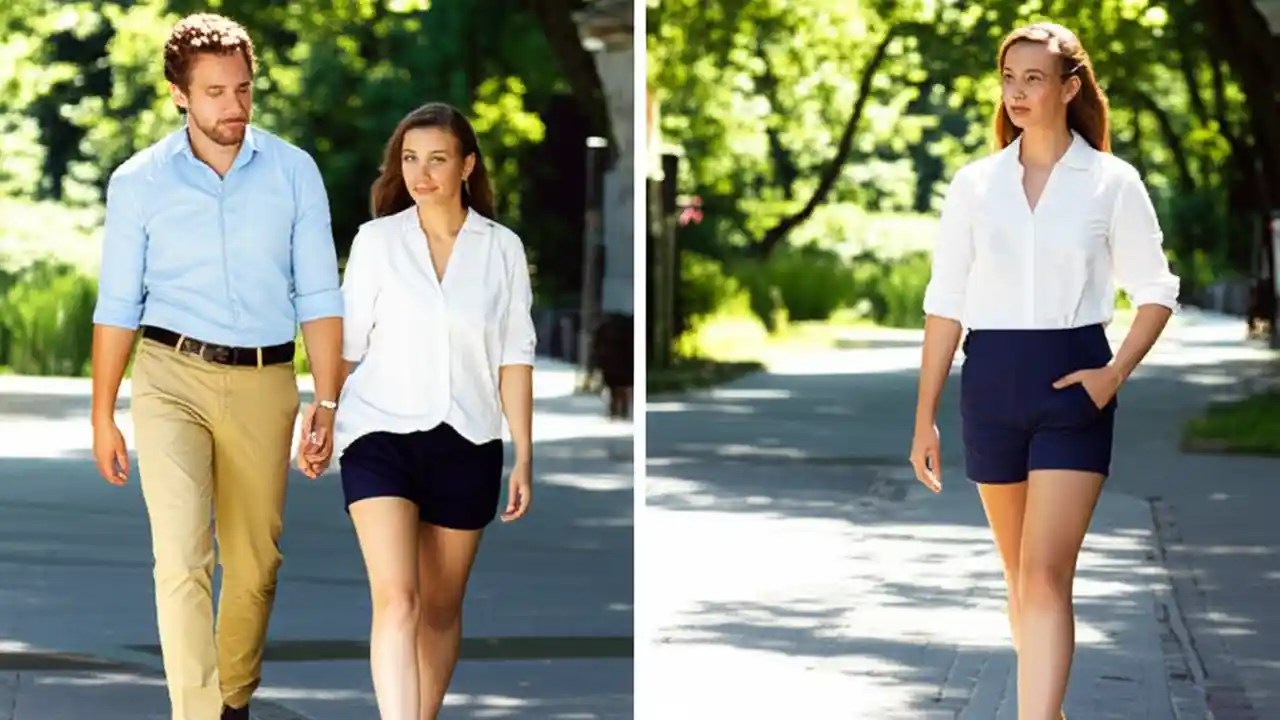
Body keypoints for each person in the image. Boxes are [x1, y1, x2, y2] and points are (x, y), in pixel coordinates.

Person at [909, 23, 1179, 720]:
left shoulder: (1112, 183)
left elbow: (1156, 290)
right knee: (1018, 575)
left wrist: (1112, 374)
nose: (1018, 92)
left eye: (1034, 78)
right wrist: (924, 418)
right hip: (991, 384)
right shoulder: (975, 185)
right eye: (1009, 77)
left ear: (1069, 87)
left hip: (1073, 385)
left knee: (1045, 573)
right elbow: (945, 304)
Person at [89, 13, 344, 720]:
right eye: (215, 92)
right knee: (181, 559)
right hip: (169, 375)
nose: (234, 105)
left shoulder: (294, 172)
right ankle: (197, 713)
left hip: (266, 381)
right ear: (179, 95)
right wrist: (102, 413)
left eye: (243, 89)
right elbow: (118, 304)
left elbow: (320, 295)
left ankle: (232, 699)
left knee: (255, 566)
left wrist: (327, 403)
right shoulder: (138, 182)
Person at [296, 102, 535, 720]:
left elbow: (514, 356)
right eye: (409, 159)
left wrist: (524, 455)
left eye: (436, 159)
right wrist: (322, 412)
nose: (420, 174)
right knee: (397, 601)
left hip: (469, 440)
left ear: (467, 166)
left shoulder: (502, 249)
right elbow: (347, 343)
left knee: (440, 610)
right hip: (379, 435)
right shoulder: (377, 242)